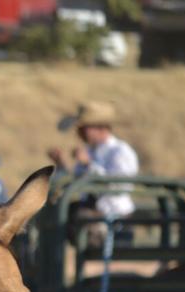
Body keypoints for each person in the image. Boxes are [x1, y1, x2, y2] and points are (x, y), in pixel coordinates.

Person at [47, 100, 139, 249]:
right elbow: (76, 182)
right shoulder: (91, 152)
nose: (80, 133)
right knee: (53, 213)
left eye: (85, 128)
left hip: (115, 221)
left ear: (102, 128)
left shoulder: (120, 151)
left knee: (76, 215)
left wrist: (88, 164)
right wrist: (61, 164)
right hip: (92, 217)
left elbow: (120, 186)